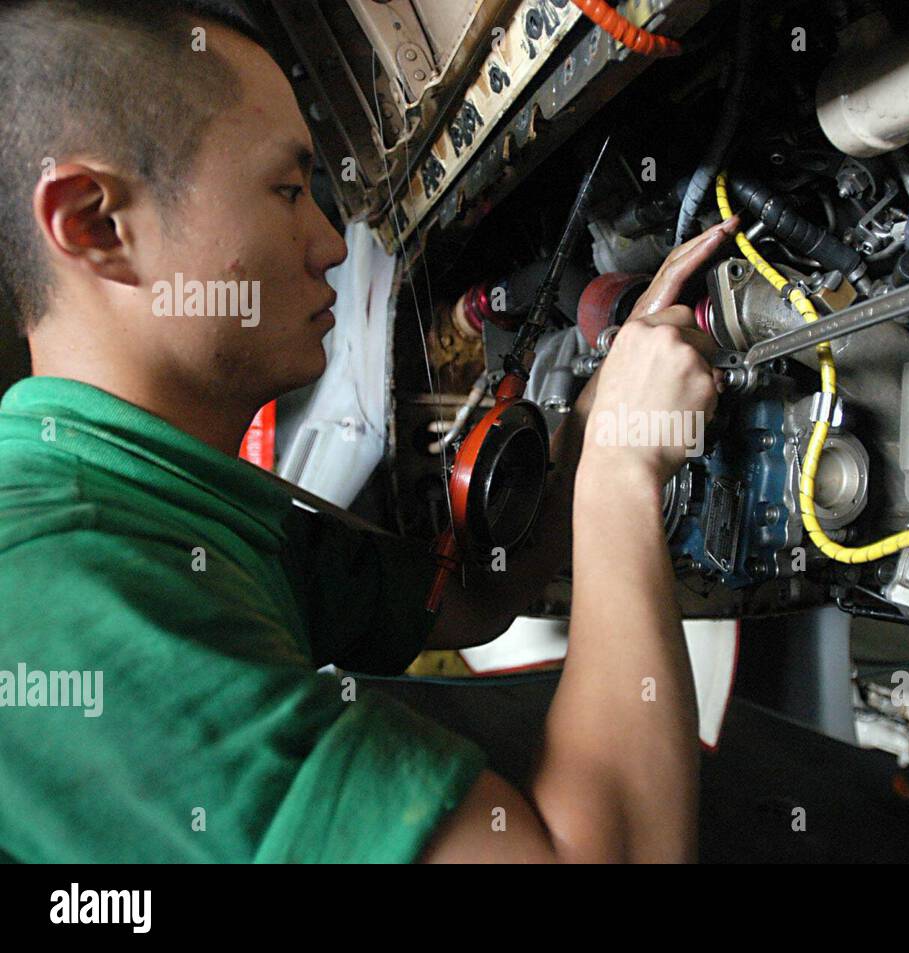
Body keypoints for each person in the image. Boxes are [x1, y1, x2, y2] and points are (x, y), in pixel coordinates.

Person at [0, 0, 740, 863]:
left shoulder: (163, 495)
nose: (333, 244)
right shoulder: (63, 593)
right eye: (287, 190)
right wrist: (623, 469)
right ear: (95, 224)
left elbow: (471, 597)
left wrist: (589, 426)